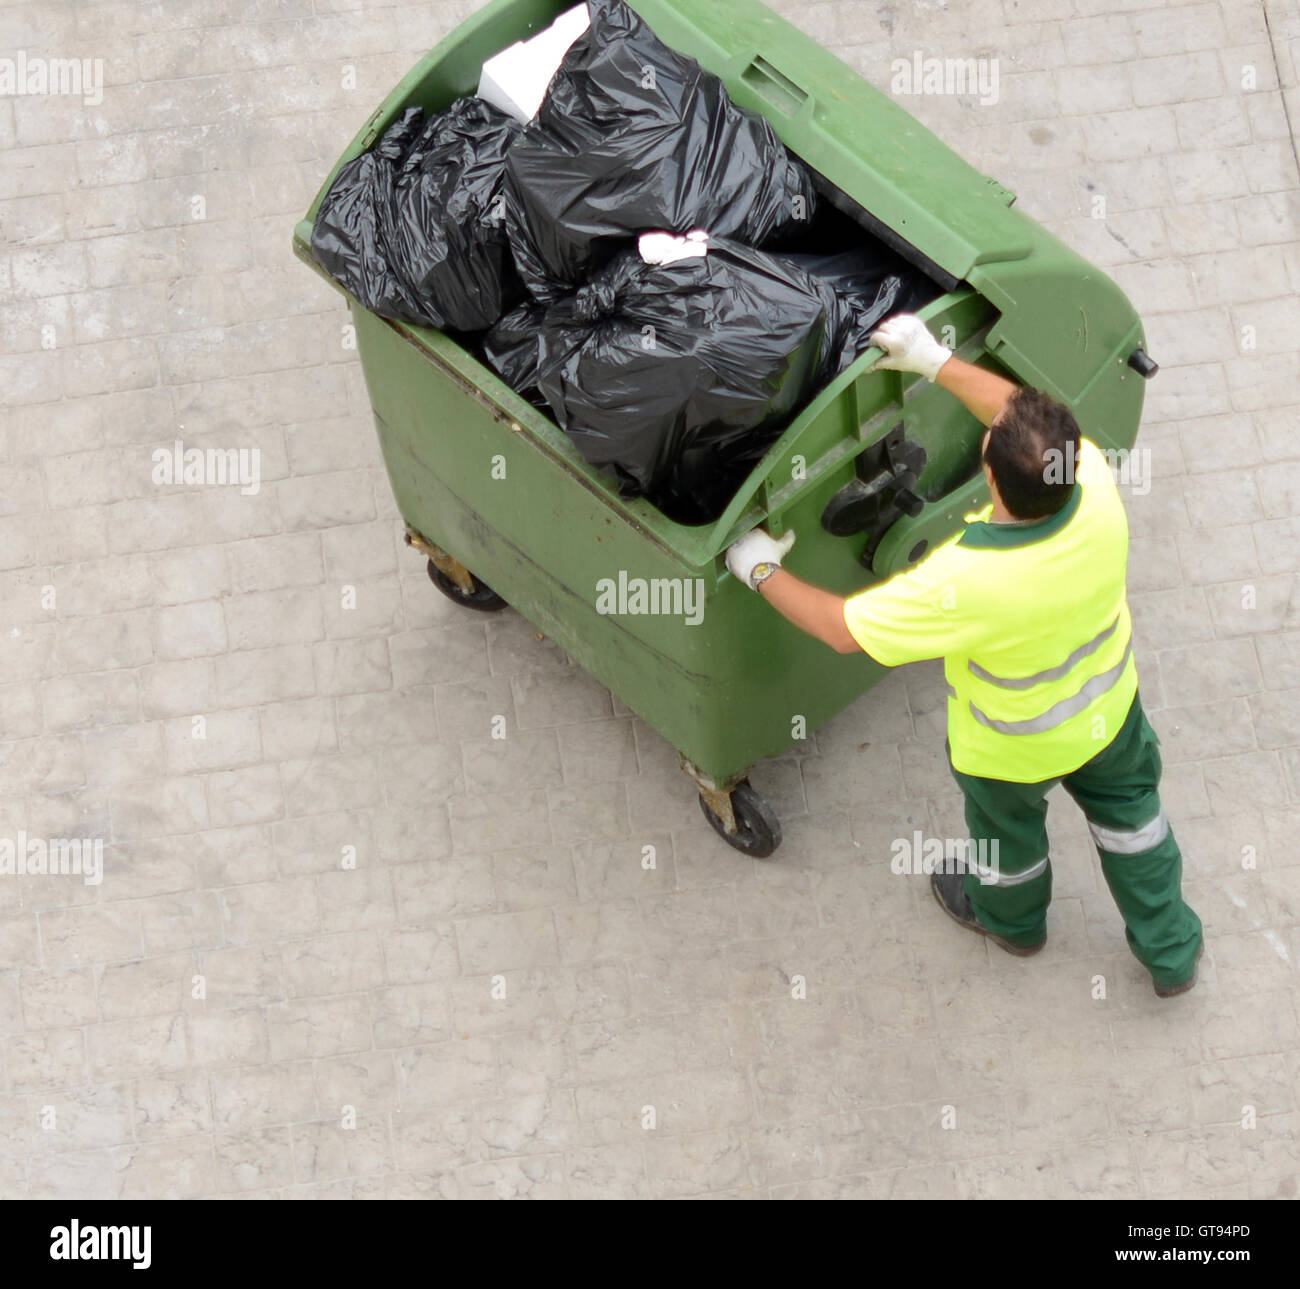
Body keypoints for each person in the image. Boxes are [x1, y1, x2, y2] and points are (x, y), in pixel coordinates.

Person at [725, 314, 1203, 997]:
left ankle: (1011, 923)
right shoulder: (1089, 477)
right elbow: (1015, 415)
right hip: (1110, 713)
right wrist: (933, 359)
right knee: (1136, 828)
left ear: (993, 480)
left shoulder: (963, 582)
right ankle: (1172, 951)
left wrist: (759, 570)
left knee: (1006, 846)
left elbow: (840, 628)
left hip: (1010, 750)